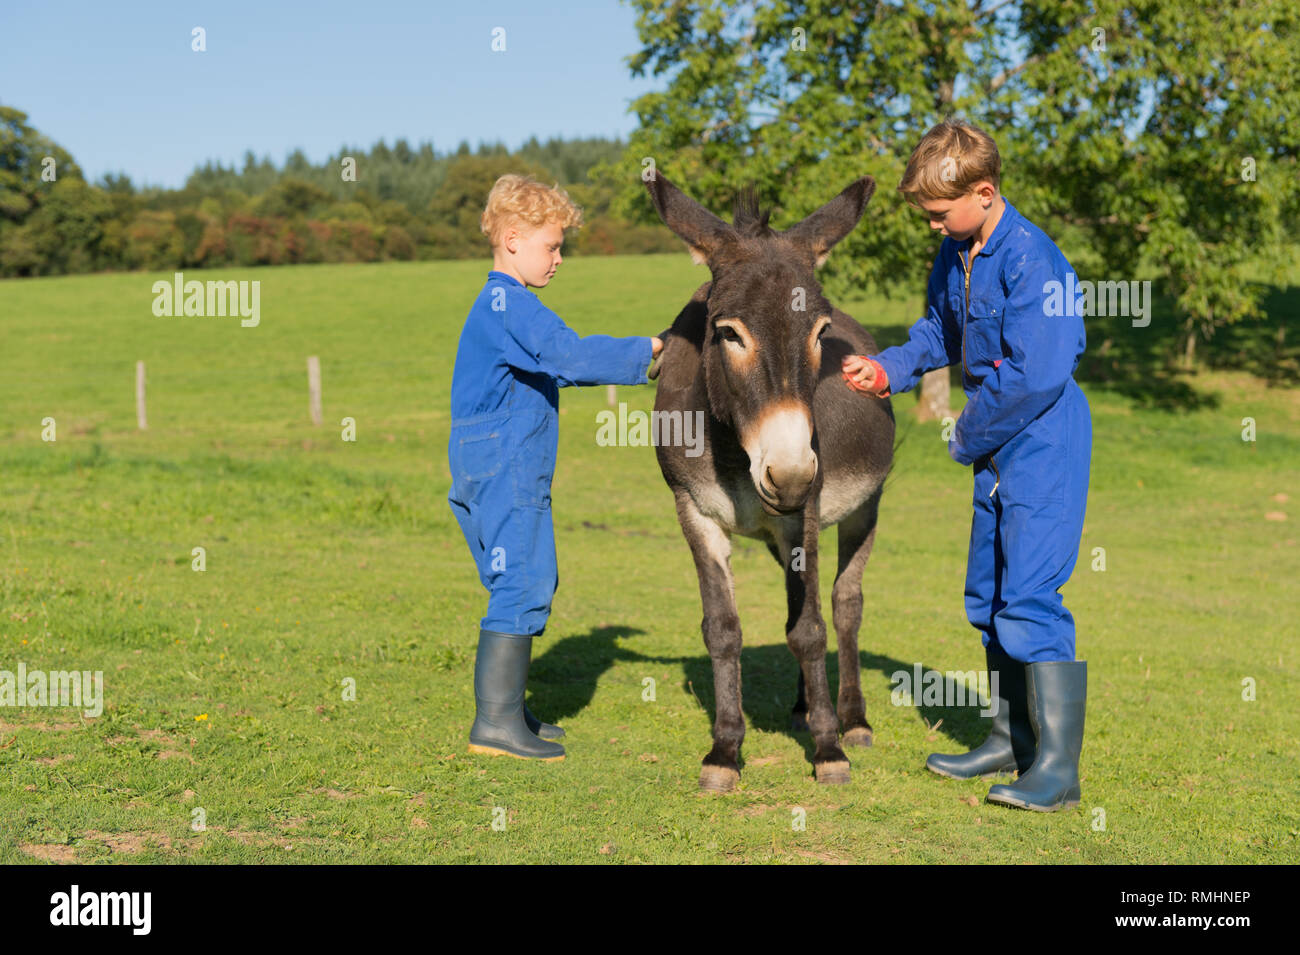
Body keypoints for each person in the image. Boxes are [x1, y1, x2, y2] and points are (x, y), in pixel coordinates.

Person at [842, 119, 1092, 811]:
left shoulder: (1034, 258)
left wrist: (965, 435)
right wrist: (885, 370)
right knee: (989, 598)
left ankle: (1058, 773)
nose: (931, 226)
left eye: (938, 212)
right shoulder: (958, 252)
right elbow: (940, 332)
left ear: (983, 191)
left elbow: (1038, 372)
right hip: (996, 439)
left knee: (1032, 598)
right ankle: (1009, 739)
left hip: (1040, 438)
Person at [447, 174, 664, 762]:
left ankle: (509, 709)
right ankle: (493, 724)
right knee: (524, 579)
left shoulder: (497, 305)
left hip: (482, 458)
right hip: (507, 462)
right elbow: (566, 355)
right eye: (553, 245)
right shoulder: (510, 303)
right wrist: (648, 351)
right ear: (513, 238)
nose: (560, 258)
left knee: (515, 575)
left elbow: (557, 369)